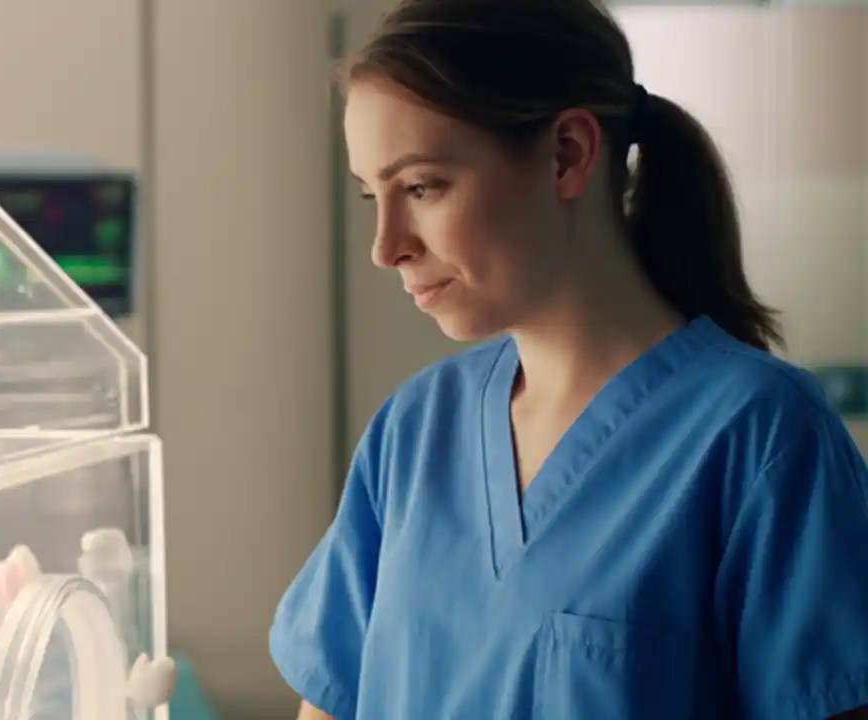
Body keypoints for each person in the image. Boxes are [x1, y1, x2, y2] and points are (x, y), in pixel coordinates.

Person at [268, 0, 868, 718]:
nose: (386, 244)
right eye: (373, 195)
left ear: (568, 156)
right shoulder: (415, 432)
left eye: (422, 187)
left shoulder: (761, 436)